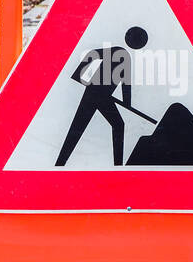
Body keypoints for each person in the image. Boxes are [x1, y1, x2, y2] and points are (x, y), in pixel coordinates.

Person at [55, 26, 148, 166]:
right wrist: (80, 77)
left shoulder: (124, 56)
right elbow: (93, 54)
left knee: (111, 125)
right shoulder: (119, 52)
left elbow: (125, 85)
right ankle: (60, 164)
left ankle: (117, 166)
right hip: (93, 94)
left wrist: (127, 104)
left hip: (103, 97)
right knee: (79, 127)